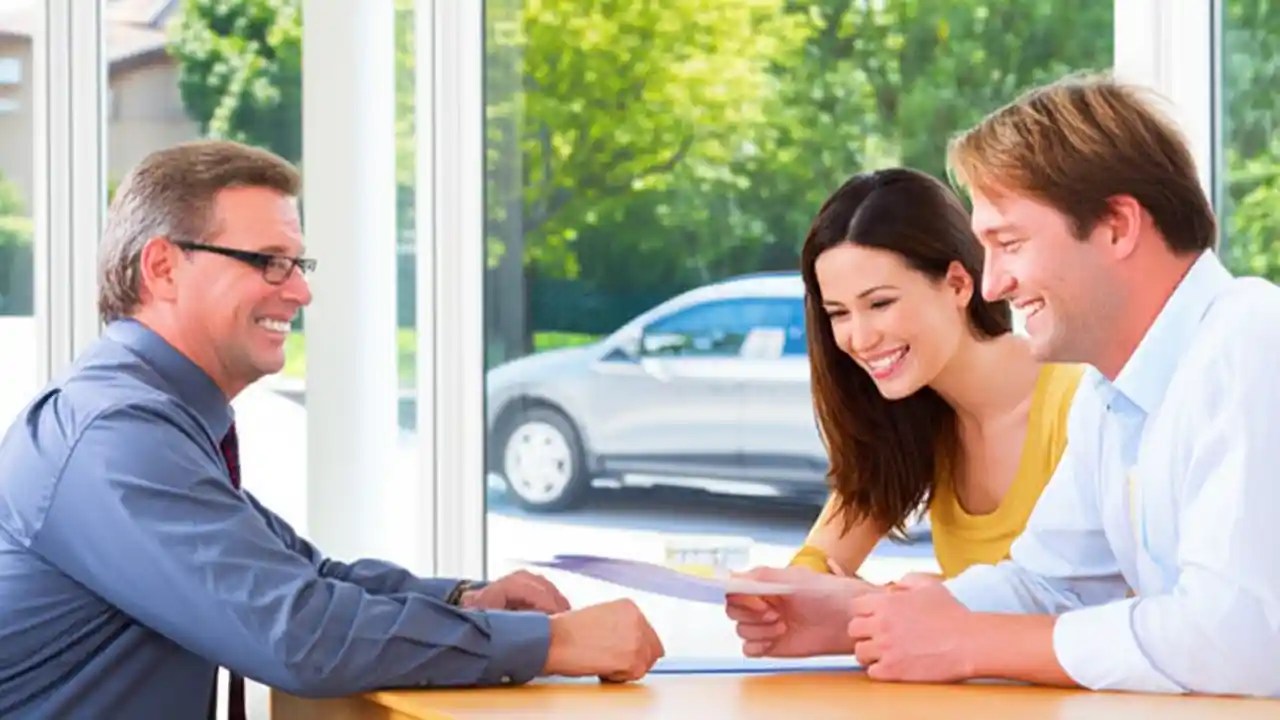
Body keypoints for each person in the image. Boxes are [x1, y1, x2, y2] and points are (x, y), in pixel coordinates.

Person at [0, 139, 665, 719]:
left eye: (298, 264)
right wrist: (555, 644)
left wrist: (468, 600)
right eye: (268, 261)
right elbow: (298, 634)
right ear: (164, 268)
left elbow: (303, 574)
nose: (299, 292)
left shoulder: (148, 416)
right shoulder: (114, 434)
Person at [733, 73, 1280, 698]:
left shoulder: (1251, 342)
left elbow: (1237, 639)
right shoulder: (1111, 399)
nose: (992, 287)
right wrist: (862, 618)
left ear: (1117, 226)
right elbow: (1051, 585)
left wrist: (974, 642)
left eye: (1010, 243)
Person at [784, 167, 1083, 584]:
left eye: (881, 303)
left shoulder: (1080, 404)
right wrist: (779, 594)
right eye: (839, 313)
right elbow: (818, 561)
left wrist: (885, 604)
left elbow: (1074, 604)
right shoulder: (916, 417)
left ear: (958, 284)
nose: (860, 338)